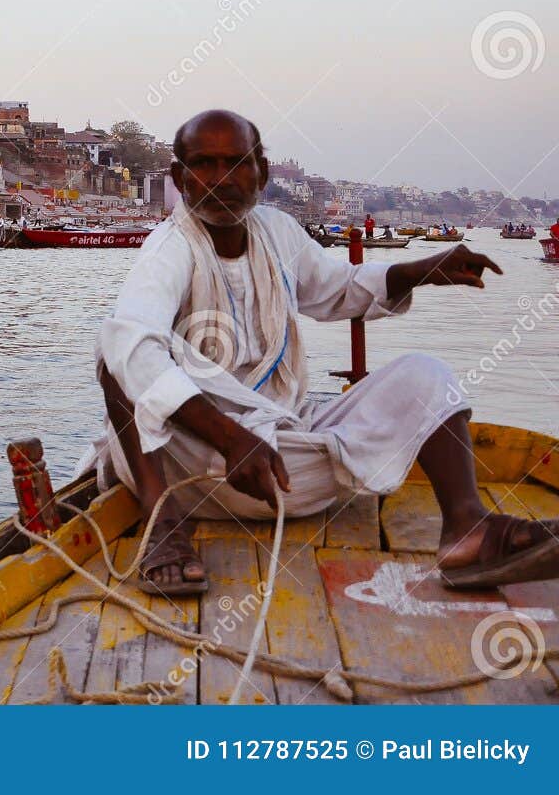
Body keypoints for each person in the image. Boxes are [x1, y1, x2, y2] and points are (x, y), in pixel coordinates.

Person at [93, 109, 557, 597]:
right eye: (204, 164)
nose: (221, 179)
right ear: (179, 178)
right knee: (120, 350)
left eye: (236, 163)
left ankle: (468, 529)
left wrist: (422, 268)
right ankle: (162, 528)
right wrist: (231, 439)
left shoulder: (279, 232)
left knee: (426, 373)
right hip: (195, 470)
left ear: (263, 173)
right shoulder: (168, 249)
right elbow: (132, 345)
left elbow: (339, 288)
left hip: (283, 467)